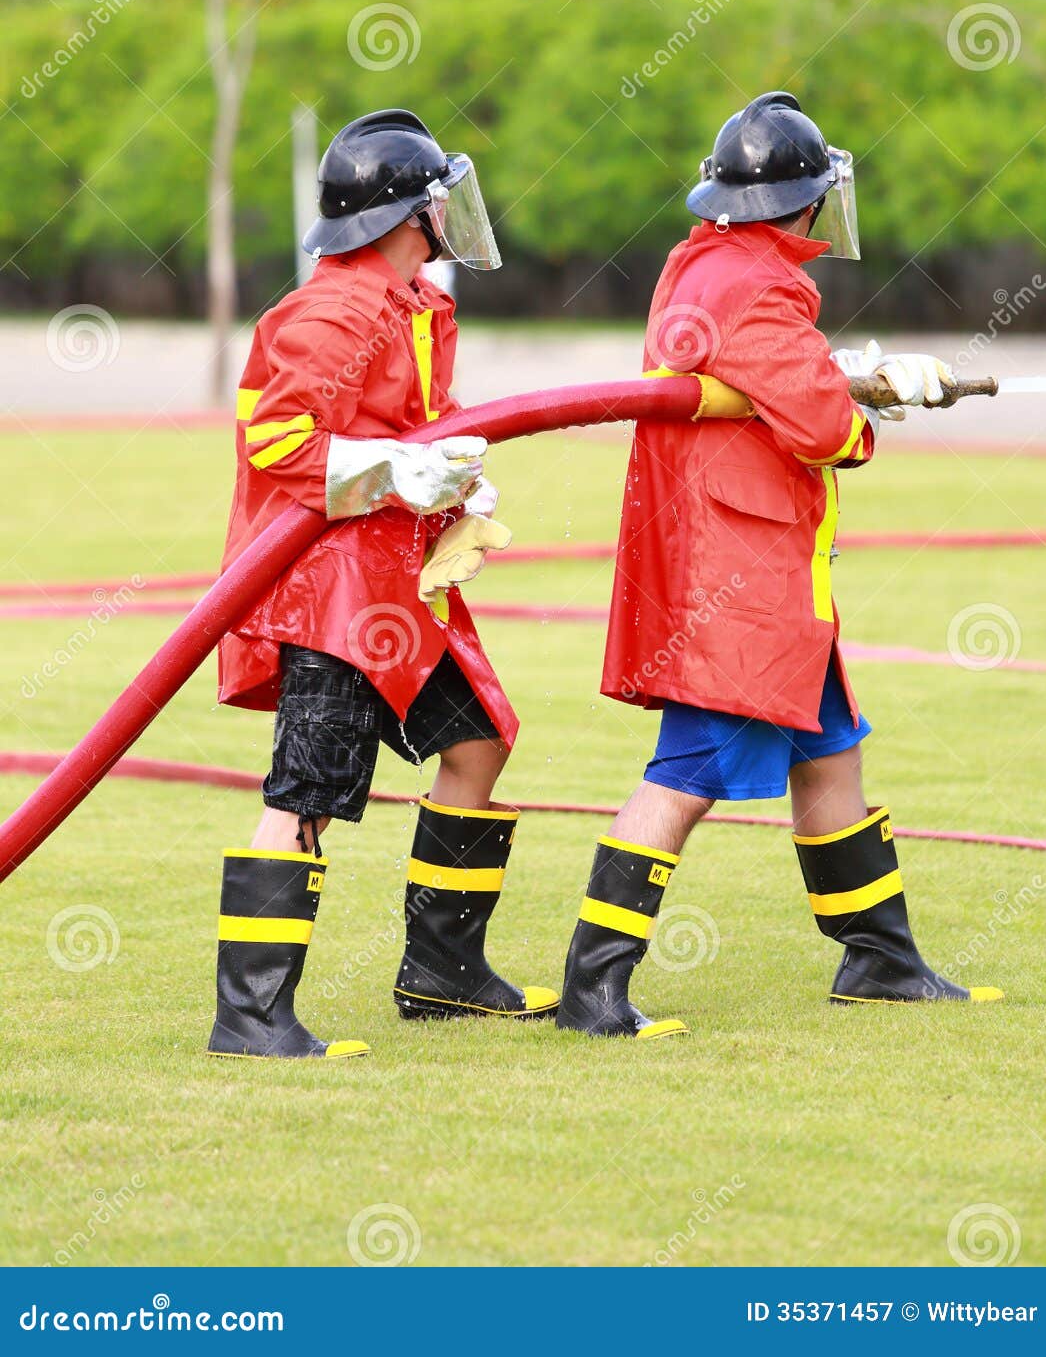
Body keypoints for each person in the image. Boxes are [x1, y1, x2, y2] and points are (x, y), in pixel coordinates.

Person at [555, 91, 1003, 1039]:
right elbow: (817, 425)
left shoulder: (704, 263)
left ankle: (879, 961)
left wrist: (848, 374)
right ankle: (593, 991)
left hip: (758, 572)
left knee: (831, 755)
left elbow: (767, 382)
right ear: (801, 202)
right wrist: (870, 410)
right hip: (741, 580)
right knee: (683, 776)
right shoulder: (762, 286)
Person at [208, 108, 558, 1060]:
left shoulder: (408, 304)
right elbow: (278, 444)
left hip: (396, 583)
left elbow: (419, 422)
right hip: (330, 590)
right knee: (304, 792)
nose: (452, 215)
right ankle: (251, 1016)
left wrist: (449, 476)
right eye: (440, 200)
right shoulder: (334, 311)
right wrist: (394, 472)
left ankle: (442, 978)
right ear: (408, 214)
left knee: (479, 743)